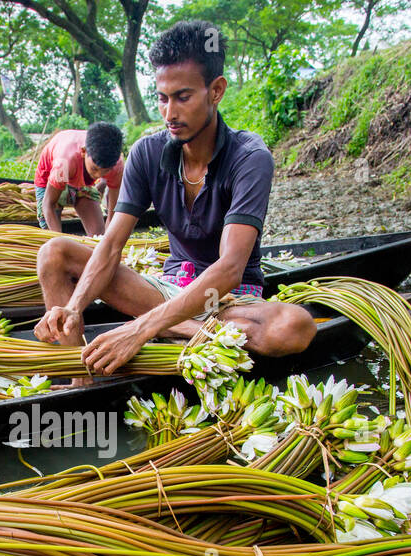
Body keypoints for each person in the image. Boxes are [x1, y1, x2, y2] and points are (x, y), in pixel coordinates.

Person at [33, 20, 315, 375]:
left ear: (216, 91)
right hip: (168, 289)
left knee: (293, 326)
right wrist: (74, 307)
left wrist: (140, 328)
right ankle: (78, 376)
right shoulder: (147, 153)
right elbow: (110, 246)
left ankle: (173, 328)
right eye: (162, 99)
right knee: (53, 253)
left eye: (183, 97)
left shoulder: (249, 157)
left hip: (225, 301)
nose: (169, 113)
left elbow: (229, 268)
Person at [34, 122, 126, 236]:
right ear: (83, 152)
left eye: (105, 171)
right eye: (94, 169)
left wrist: (105, 242)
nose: (98, 175)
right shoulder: (64, 163)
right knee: (52, 240)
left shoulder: (116, 166)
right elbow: (48, 204)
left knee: (98, 236)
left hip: (81, 183)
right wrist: (58, 240)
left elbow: (113, 214)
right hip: (50, 181)